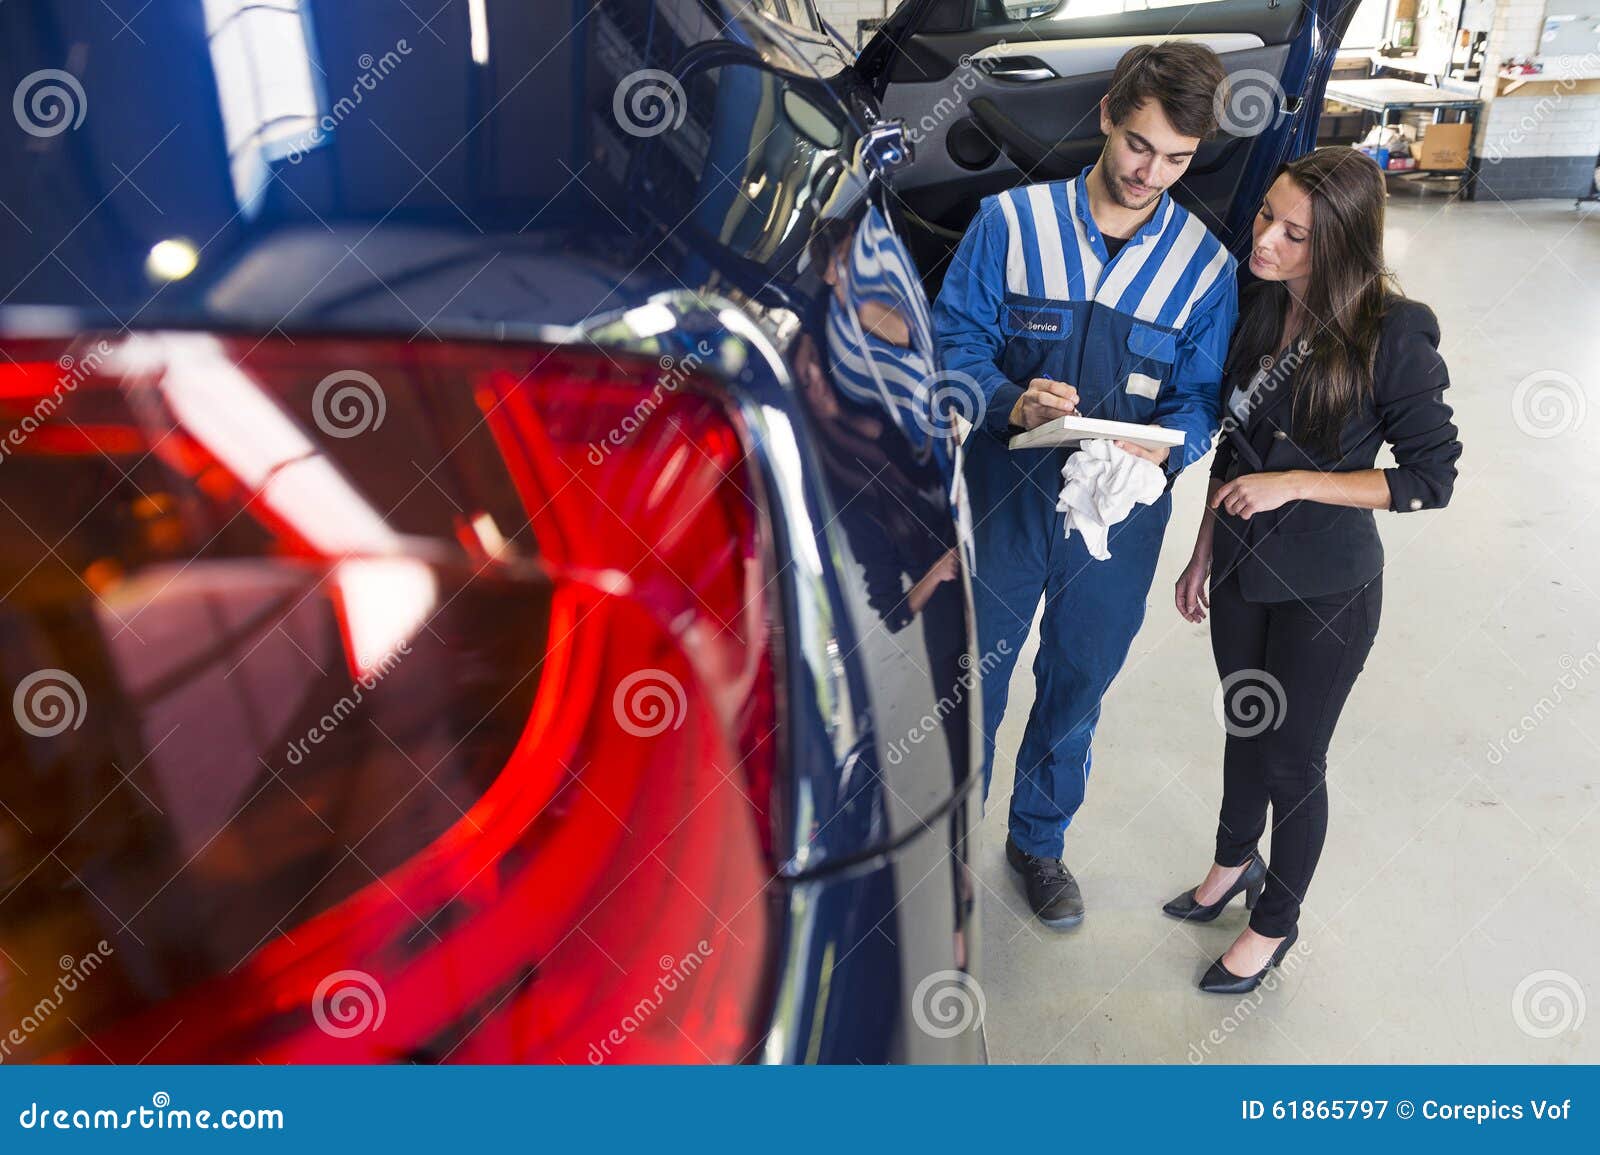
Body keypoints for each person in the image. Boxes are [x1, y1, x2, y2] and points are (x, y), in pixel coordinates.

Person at [931, 42, 1237, 927]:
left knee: (1079, 678)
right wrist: (1008, 401)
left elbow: (1202, 396)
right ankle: (943, 851)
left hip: (1119, 519)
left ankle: (1038, 841)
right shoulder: (1010, 223)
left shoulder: (1206, 268)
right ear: (1108, 113)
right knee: (972, 677)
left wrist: (1166, 451)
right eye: (1141, 144)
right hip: (1004, 492)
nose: (1152, 173)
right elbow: (953, 346)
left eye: (1178, 159)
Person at [1166, 147, 1462, 993]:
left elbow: (1430, 479)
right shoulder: (1258, 306)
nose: (1265, 242)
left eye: (1296, 235)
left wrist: (1296, 483)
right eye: (1267, 216)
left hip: (1326, 589)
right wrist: (1203, 548)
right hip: (1240, 569)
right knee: (1242, 723)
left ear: (1339, 246)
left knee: (1294, 758)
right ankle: (1231, 863)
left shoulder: (1394, 331)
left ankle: (1275, 922)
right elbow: (1234, 443)